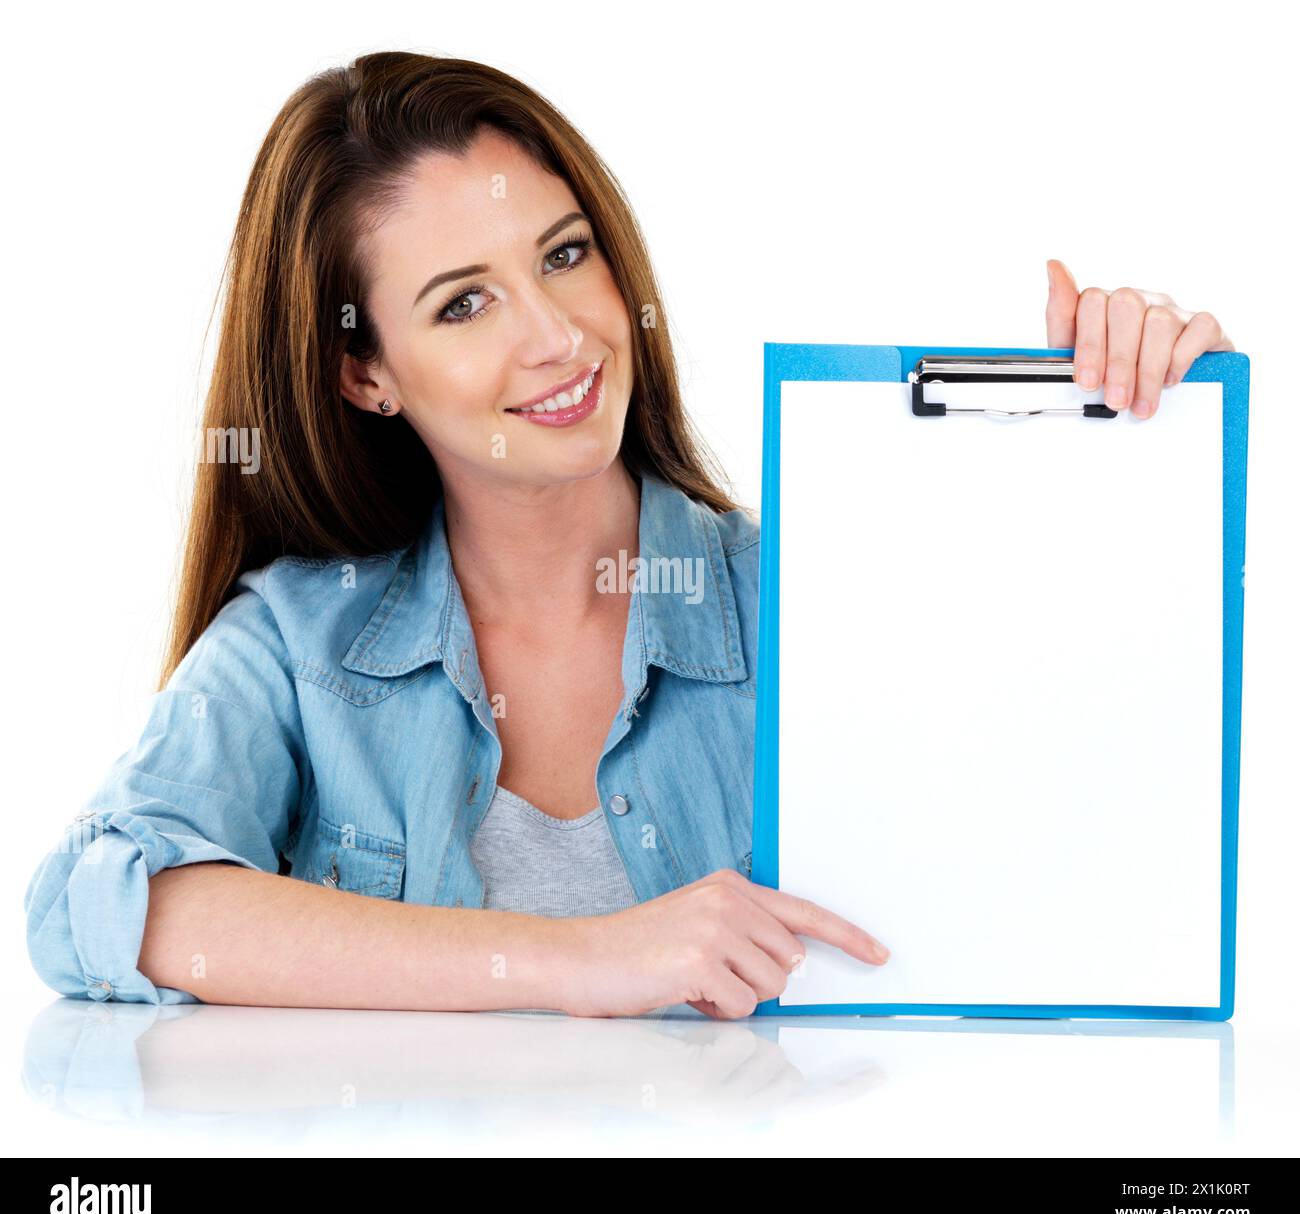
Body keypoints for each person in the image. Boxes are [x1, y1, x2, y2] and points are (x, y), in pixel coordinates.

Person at [24, 52, 1235, 1020]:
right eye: (464, 301)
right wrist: (575, 959)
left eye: (565, 254)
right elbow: (97, 905)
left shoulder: (817, 602)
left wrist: (1141, 434)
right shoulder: (299, 646)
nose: (558, 334)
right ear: (363, 373)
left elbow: (1091, 805)